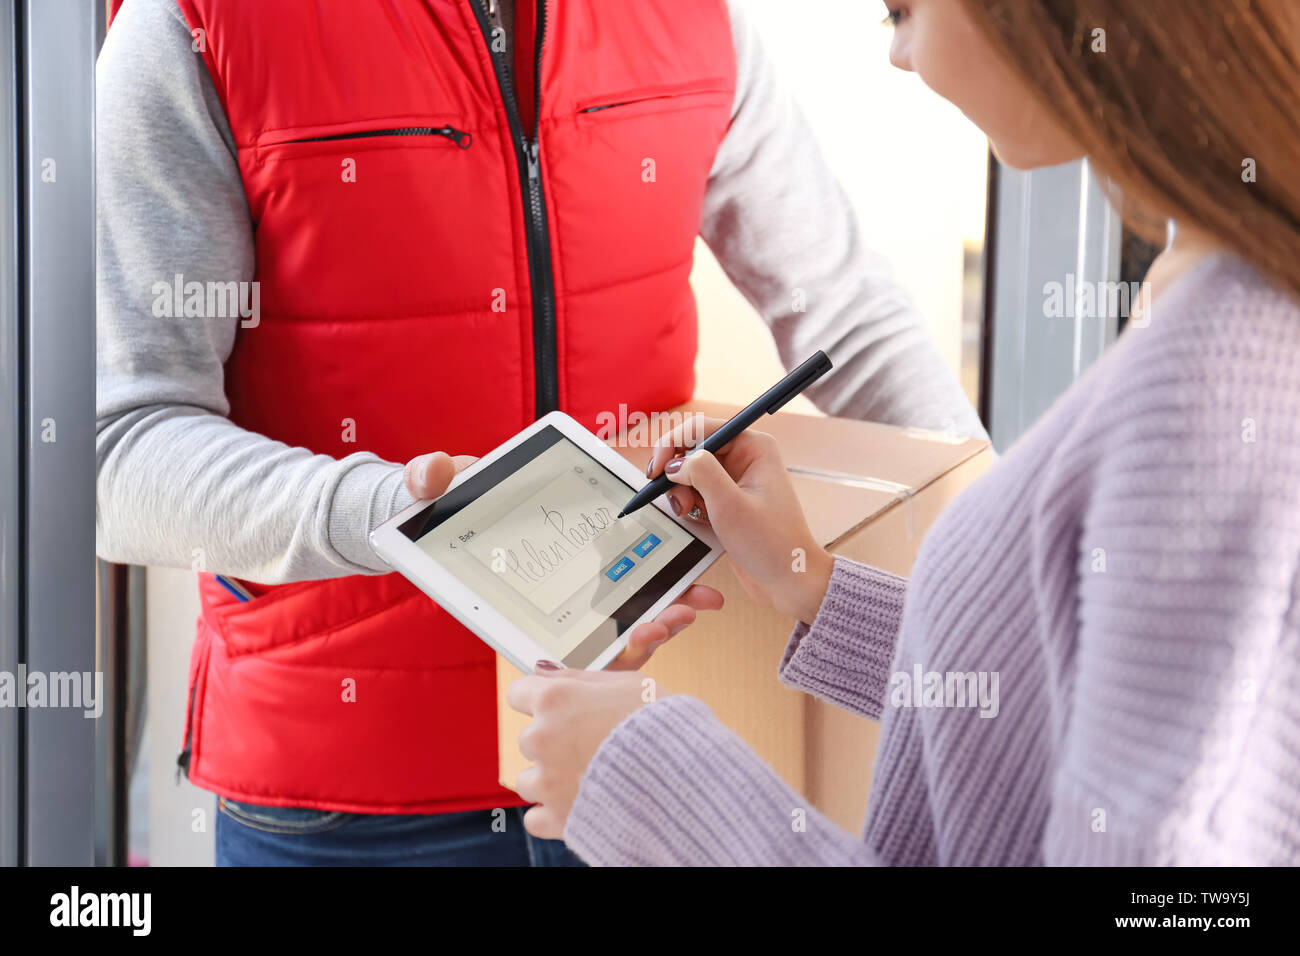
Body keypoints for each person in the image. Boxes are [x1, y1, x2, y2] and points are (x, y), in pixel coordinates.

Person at [95, 0, 980, 866]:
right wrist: (397, 516)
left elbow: (847, 319)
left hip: (633, 749)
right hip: (349, 803)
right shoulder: (198, 23)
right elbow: (122, 448)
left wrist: (1009, 550)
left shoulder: (698, 17)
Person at [500, 0, 1300, 864]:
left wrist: (652, 784)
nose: (900, 56)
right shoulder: (1219, 292)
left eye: (902, 12)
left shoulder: (1219, 385)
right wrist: (813, 586)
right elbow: (1052, 710)